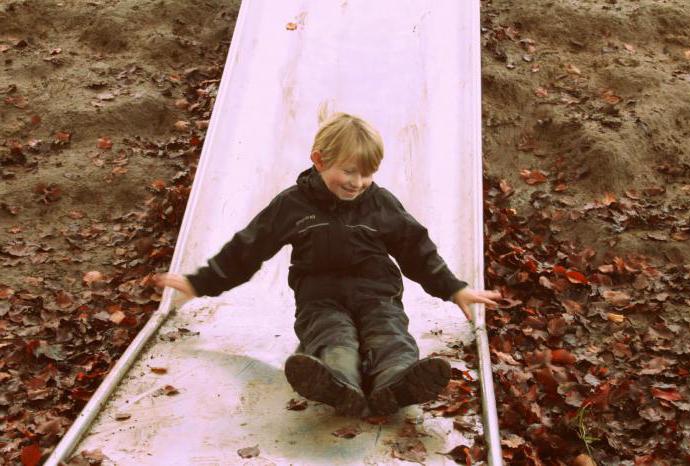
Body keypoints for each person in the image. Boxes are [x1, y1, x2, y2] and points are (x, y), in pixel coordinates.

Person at [154, 110, 501, 417]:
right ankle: (338, 384)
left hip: (376, 294)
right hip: (320, 299)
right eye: (349, 172)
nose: (358, 183)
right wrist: (201, 283)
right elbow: (249, 246)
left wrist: (453, 289)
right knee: (332, 338)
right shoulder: (292, 206)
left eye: (368, 174)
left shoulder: (380, 204)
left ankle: (396, 384)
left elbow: (416, 249)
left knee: (389, 334)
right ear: (319, 160)